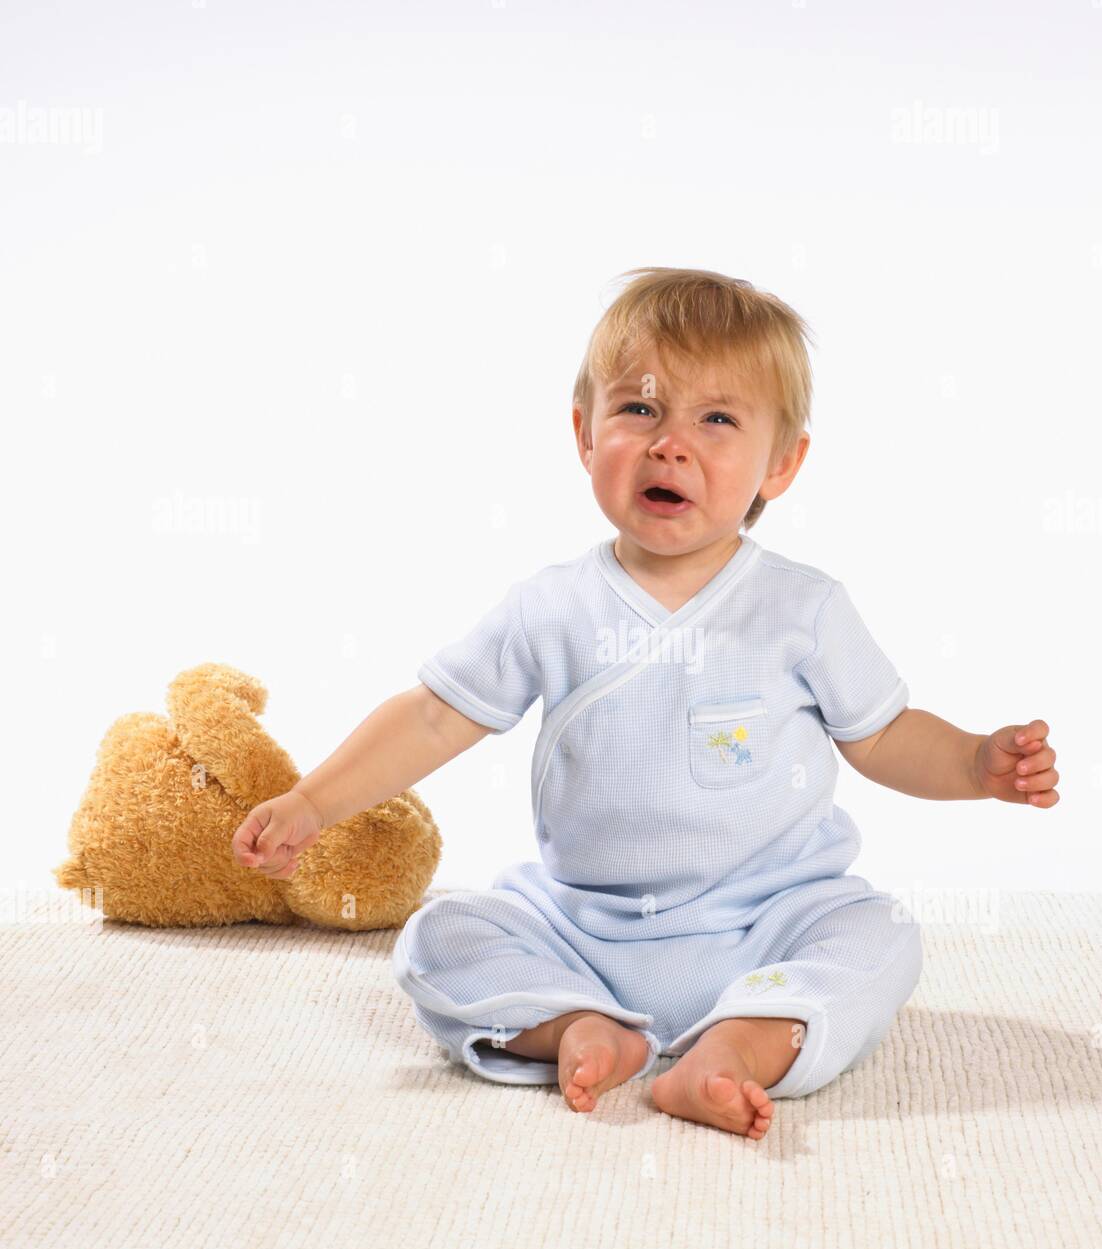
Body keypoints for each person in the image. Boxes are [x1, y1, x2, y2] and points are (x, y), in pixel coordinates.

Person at [232, 267, 1060, 1140]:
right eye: (640, 410)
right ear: (585, 433)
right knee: (440, 936)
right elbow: (438, 713)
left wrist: (976, 763)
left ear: (781, 462)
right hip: (582, 928)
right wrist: (314, 801)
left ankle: (735, 1046)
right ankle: (576, 1024)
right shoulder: (551, 606)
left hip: (767, 924)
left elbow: (883, 734)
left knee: (880, 934)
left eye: (717, 419)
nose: (671, 444)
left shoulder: (801, 609)